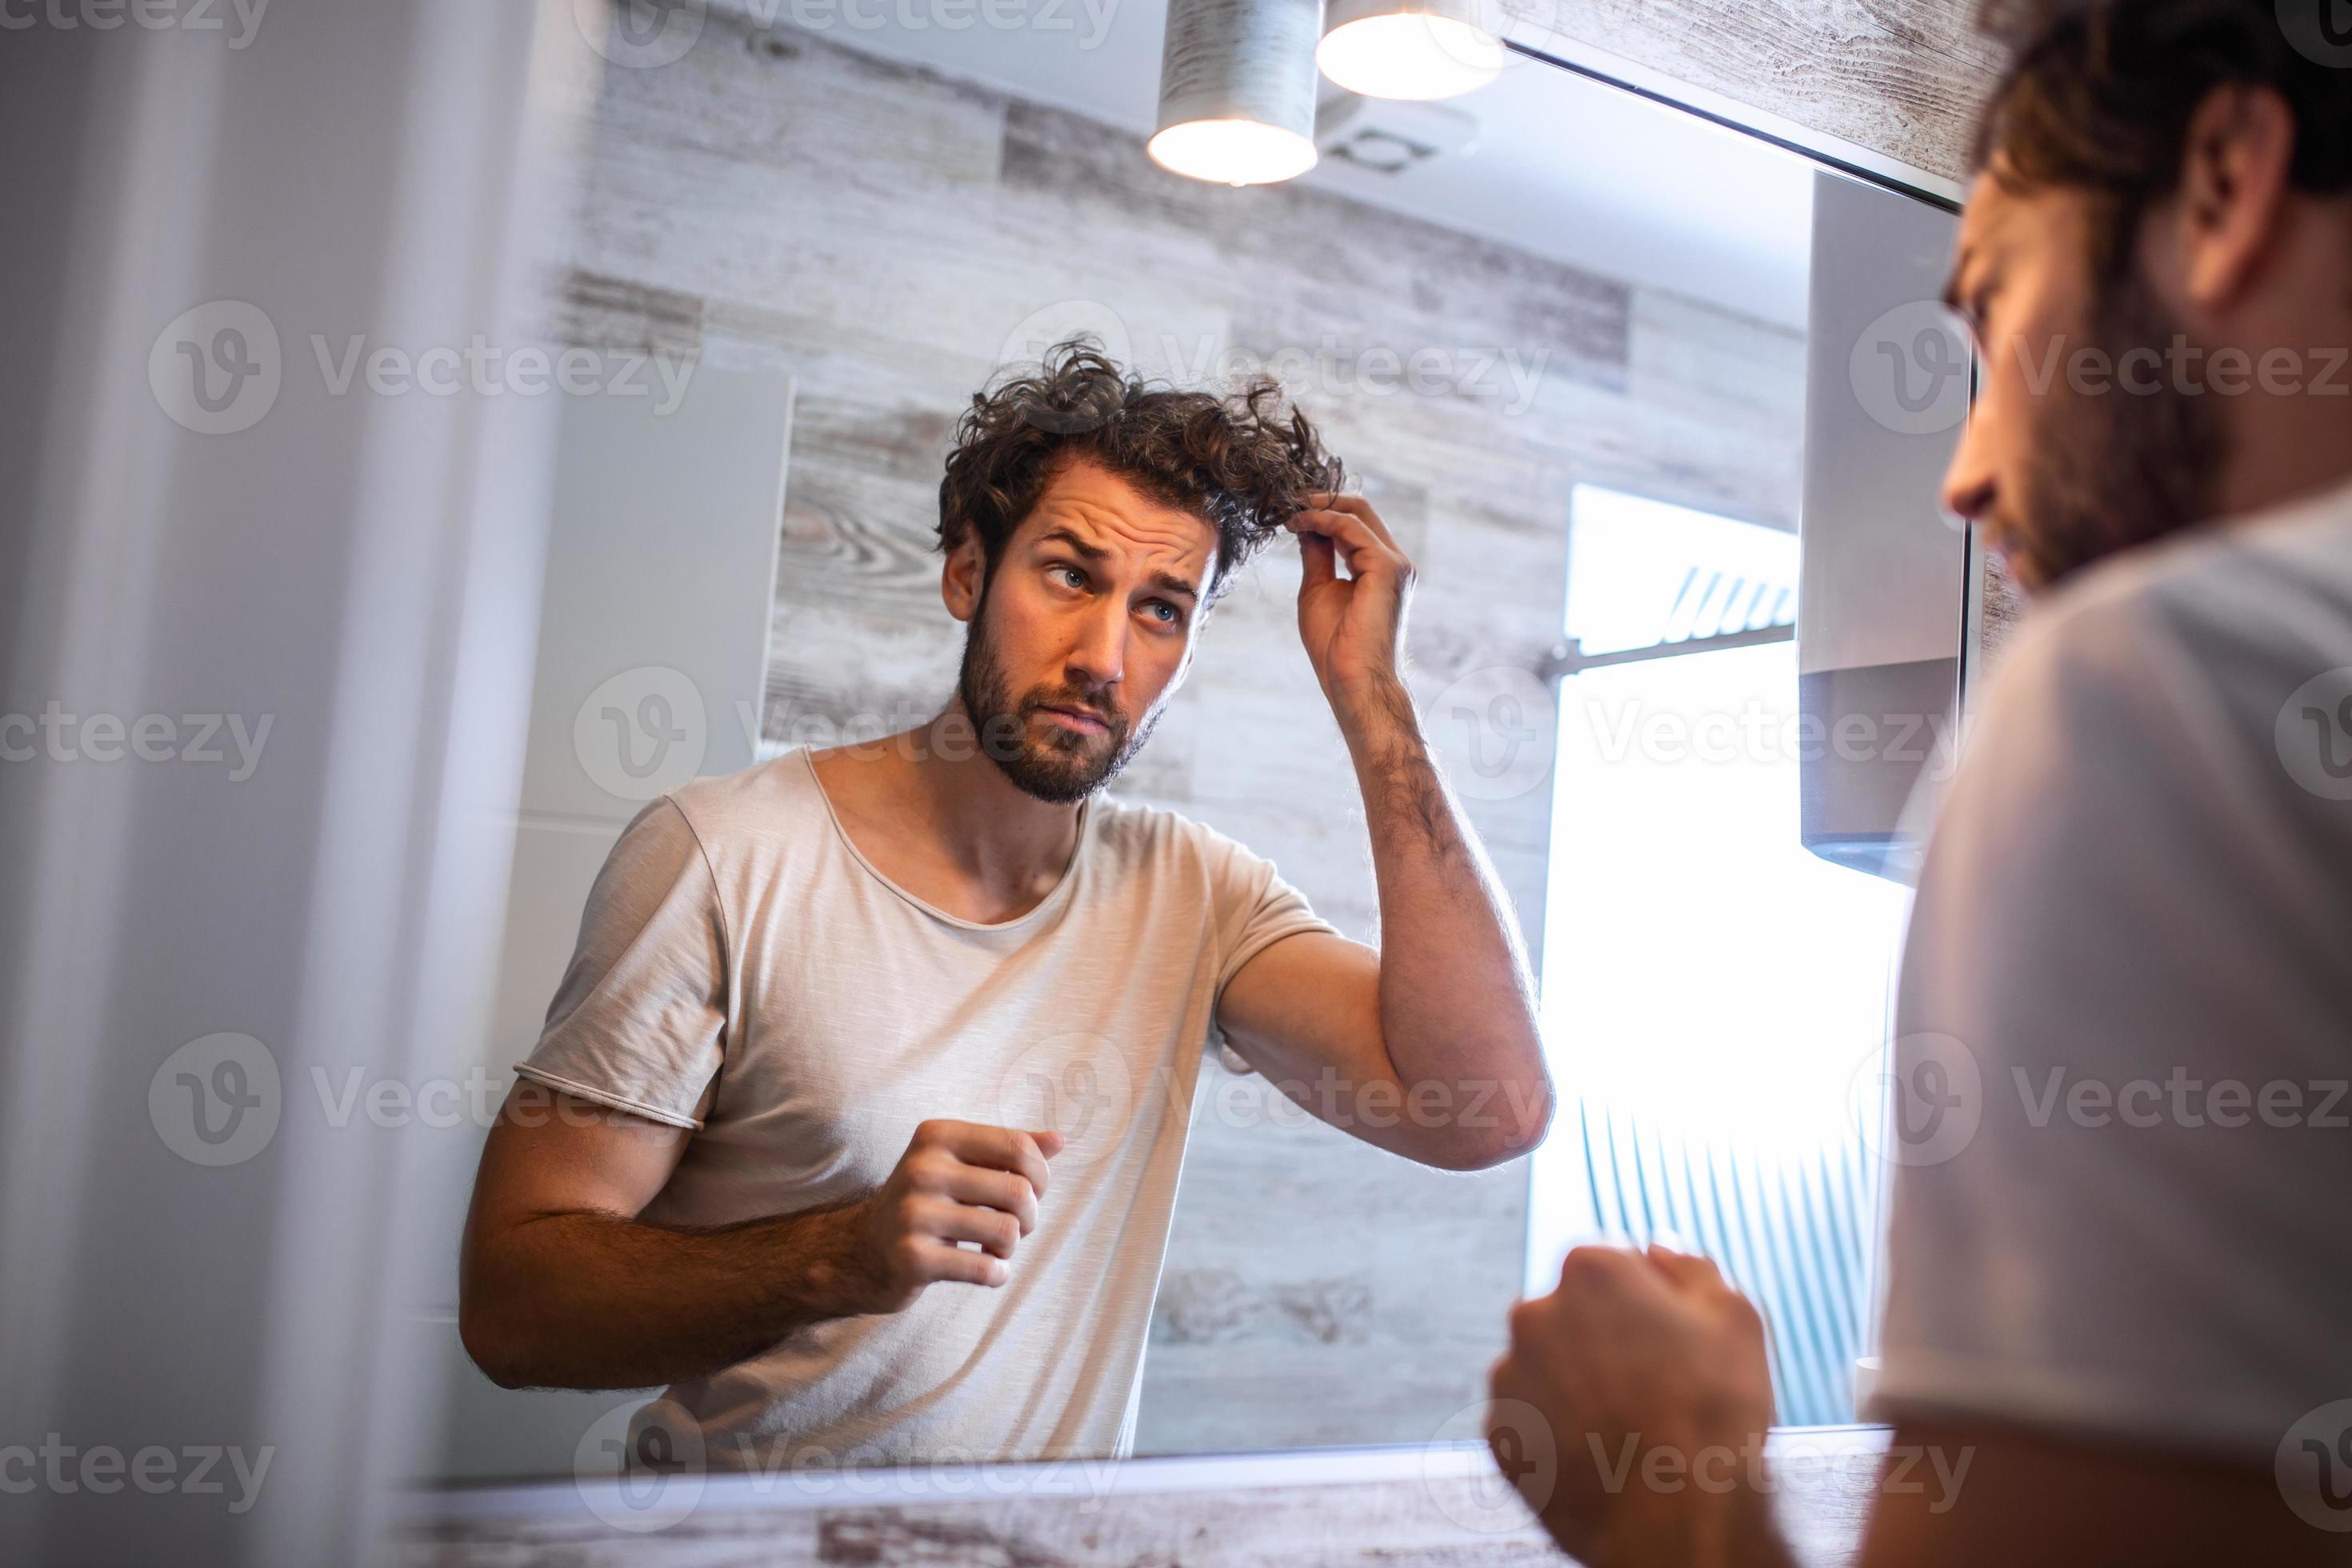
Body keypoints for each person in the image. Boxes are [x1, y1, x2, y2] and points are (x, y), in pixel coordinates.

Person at [1488, 1, 2352, 1562]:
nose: (1961, 473)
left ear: (2225, 183)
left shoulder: (2151, 681)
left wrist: (1666, 1479)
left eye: (1992, 311)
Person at [458, 342, 1554, 1468]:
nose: (1104, 658)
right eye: (1071, 576)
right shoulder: (725, 855)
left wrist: (1374, 701)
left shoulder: (1197, 894)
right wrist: (844, 1254)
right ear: (967, 574)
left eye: (1163, 608)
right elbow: (512, 1306)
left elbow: (1485, 1110)